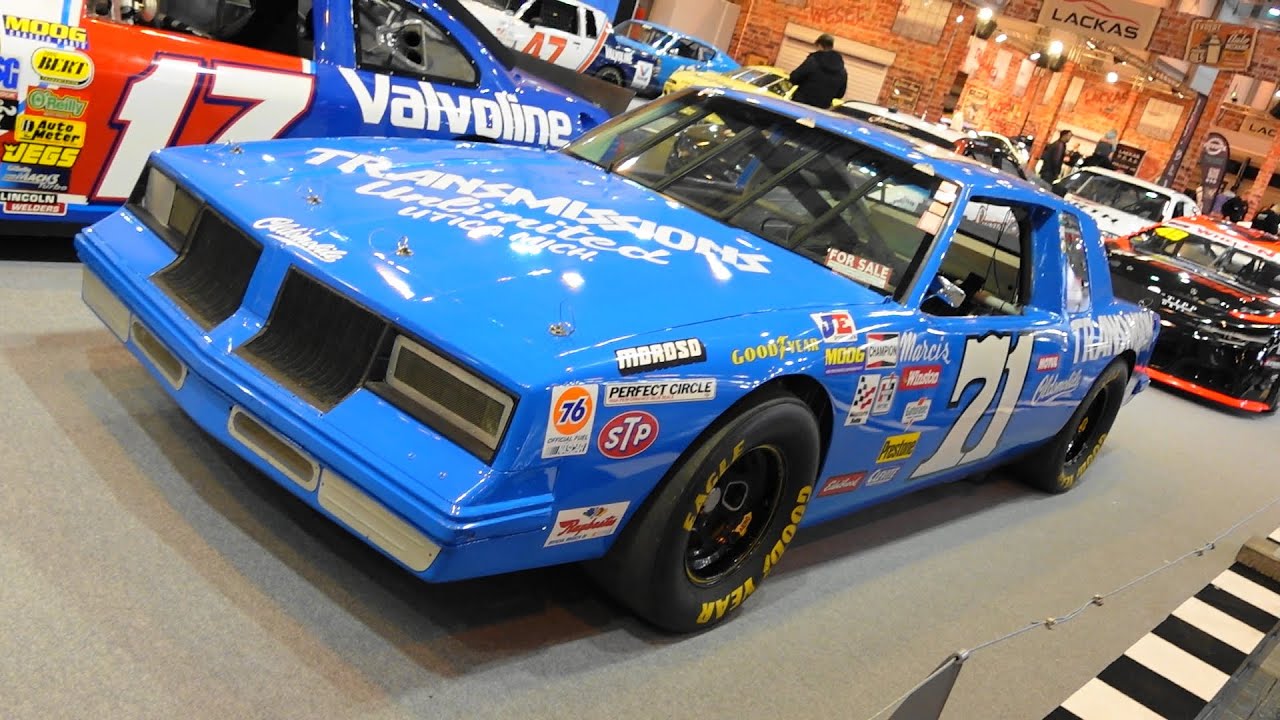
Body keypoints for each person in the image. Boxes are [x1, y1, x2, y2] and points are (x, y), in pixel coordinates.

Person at [789, 34, 848, 109]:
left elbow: (794, 78)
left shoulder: (813, 61)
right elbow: (840, 94)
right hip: (820, 109)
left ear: (819, 45)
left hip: (801, 104)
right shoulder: (842, 71)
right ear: (831, 46)